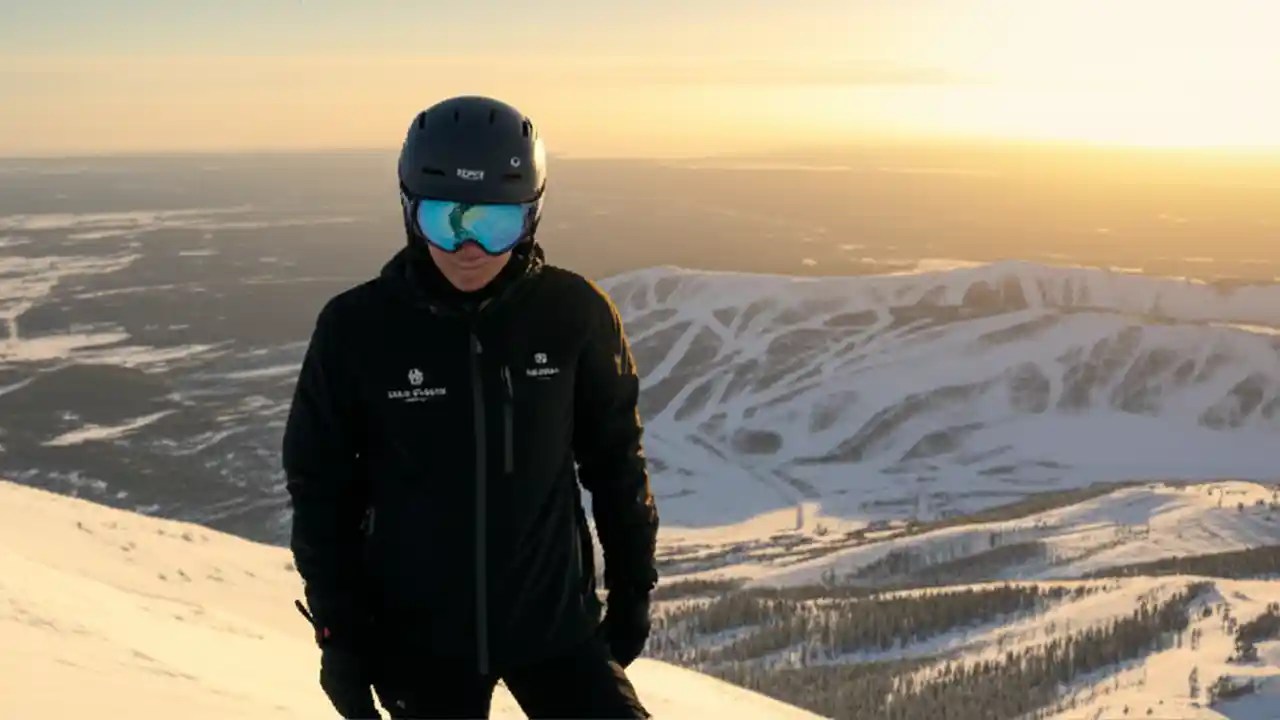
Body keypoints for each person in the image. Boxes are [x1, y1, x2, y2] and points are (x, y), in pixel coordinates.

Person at [282, 96, 660, 719]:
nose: (469, 248)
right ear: (409, 210)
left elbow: (616, 464)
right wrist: (340, 636)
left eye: (495, 223)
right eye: (446, 219)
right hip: (419, 646)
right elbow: (322, 490)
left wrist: (632, 590)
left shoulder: (573, 315)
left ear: (532, 216)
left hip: (555, 629)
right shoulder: (357, 329)